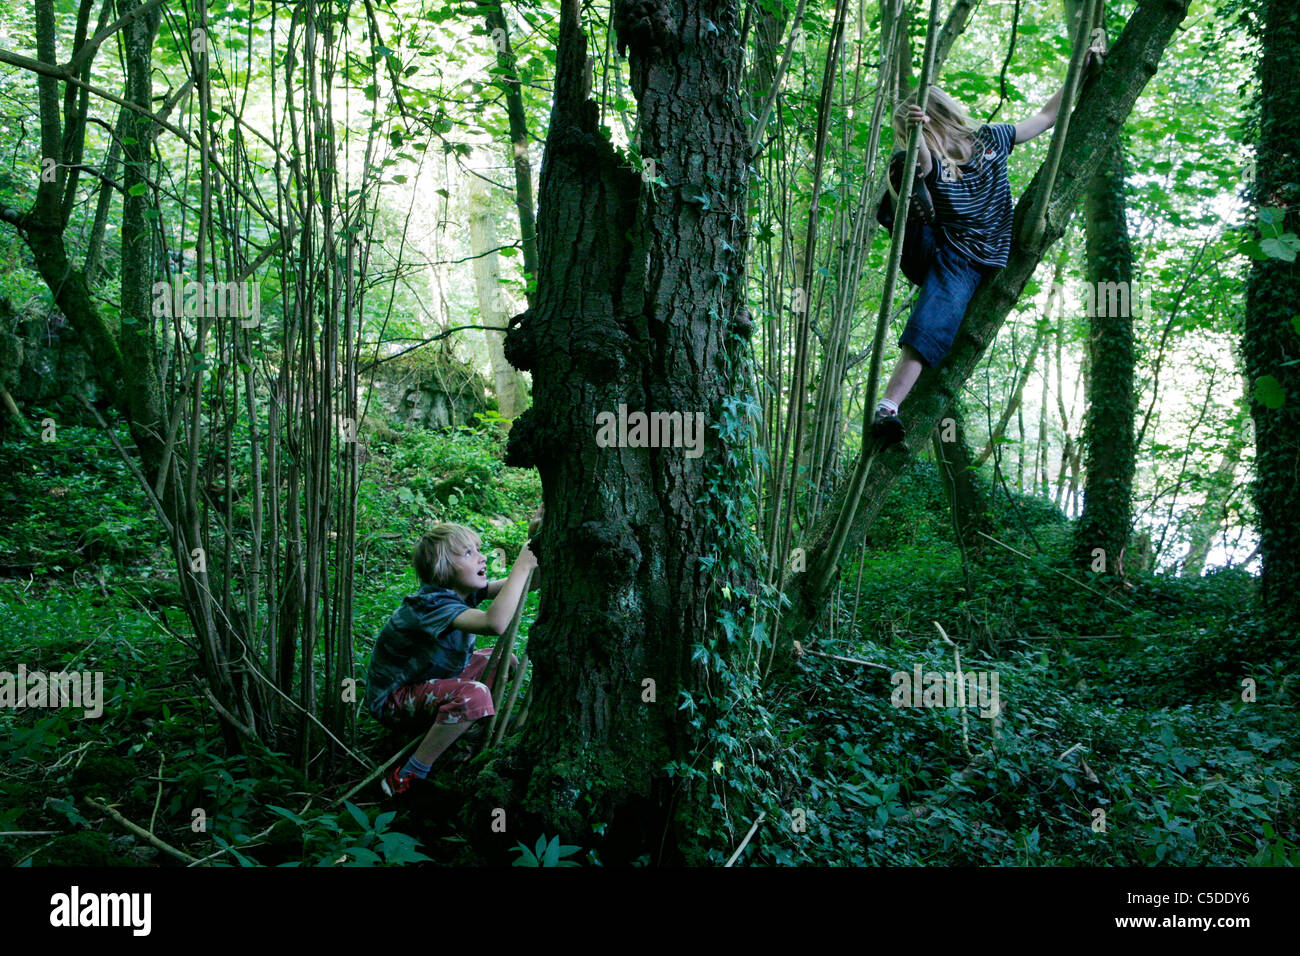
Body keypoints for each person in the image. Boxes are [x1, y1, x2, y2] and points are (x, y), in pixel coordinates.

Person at [871, 74, 1077, 446]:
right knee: (931, 320)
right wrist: (916, 143)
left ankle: (888, 409)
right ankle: (887, 407)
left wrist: (1082, 71)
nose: (914, 137)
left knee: (936, 322)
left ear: (939, 114)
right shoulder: (928, 160)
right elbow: (922, 162)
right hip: (942, 251)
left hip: (982, 257)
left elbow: (1047, 116)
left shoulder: (993, 139)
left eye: (914, 129)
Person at [366, 520, 538, 796]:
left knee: (506, 661)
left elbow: (528, 583)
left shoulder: (461, 593)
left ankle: (460, 730)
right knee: (475, 695)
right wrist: (522, 563)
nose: (482, 556)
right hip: (393, 701)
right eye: (468, 553)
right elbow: (493, 623)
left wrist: (538, 540)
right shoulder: (429, 605)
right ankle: (409, 773)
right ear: (442, 569)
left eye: (477, 550)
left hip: (432, 682)